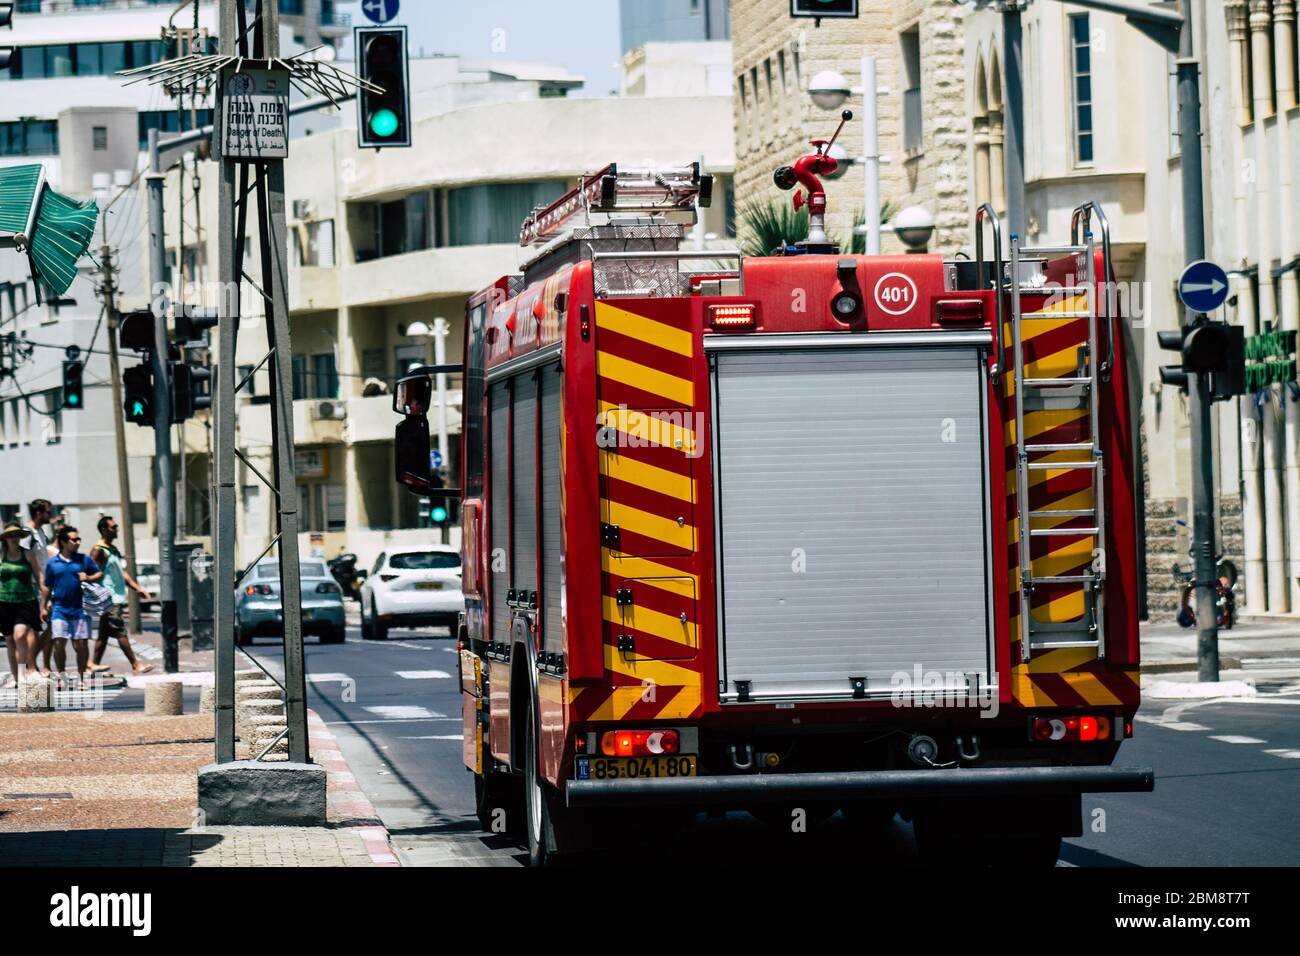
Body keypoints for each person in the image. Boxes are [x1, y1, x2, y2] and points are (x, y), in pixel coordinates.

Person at [87, 515, 153, 676]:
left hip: (114, 598)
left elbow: (122, 573)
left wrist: (138, 588)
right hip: (108, 599)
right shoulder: (99, 550)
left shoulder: (112, 550)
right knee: (120, 631)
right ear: (104, 530)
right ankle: (135, 664)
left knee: (103, 635)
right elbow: (91, 572)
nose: (117, 530)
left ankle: (92, 664)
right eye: (113, 527)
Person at [40, 525, 102, 689]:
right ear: (64, 542)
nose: (78, 542)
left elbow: (99, 574)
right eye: (74, 539)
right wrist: (44, 606)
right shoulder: (53, 563)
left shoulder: (83, 559)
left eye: (78, 539)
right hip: (60, 609)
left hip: (80, 609)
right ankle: (62, 677)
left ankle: (82, 678)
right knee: (59, 643)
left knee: (80, 644)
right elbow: (47, 585)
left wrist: (88, 577)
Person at [0, 521, 45, 688]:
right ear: (5, 538)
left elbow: (40, 576)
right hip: (4, 601)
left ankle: (25, 671)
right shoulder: (0, 554)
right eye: (10, 535)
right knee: (10, 639)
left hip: (26, 600)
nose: (13, 538)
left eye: (16, 535)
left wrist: (45, 601)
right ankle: (18, 678)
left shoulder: (28, 554)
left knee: (20, 635)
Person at [22, 499, 55, 677]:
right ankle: (30, 665)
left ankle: (38, 664)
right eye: (48, 512)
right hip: (35, 588)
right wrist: (41, 589)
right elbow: (27, 560)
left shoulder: (40, 532)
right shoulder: (27, 533)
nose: (51, 515)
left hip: (46, 586)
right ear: (39, 513)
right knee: (33, 630)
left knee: (50, 627)